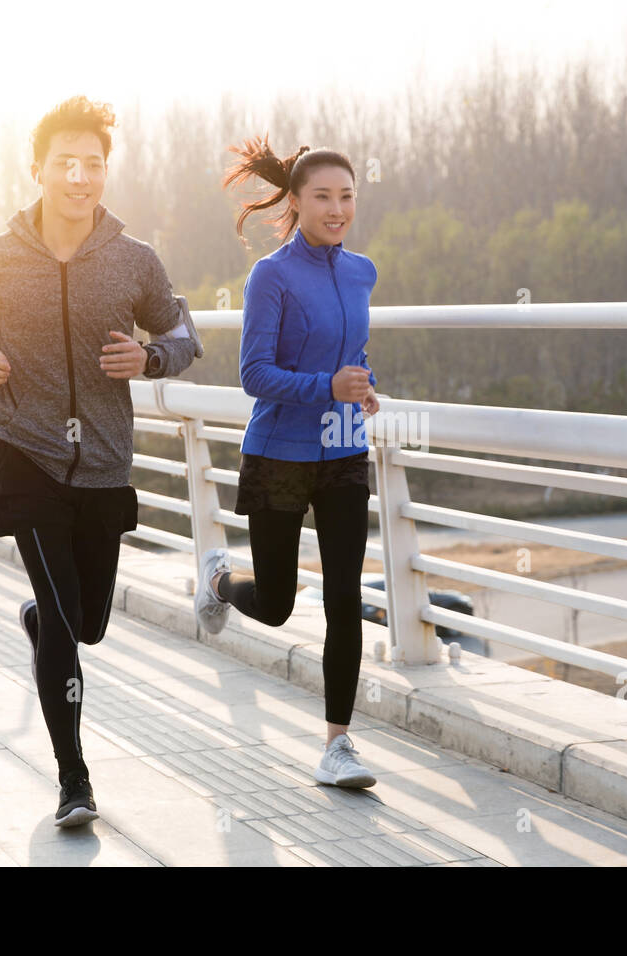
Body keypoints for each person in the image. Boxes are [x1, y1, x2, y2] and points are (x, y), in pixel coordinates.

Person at [0, 96, 202, 827]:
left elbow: (184, 331)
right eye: (66, 165)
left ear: (105, 172)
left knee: (86, 626)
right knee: (60, 616)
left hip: (106, 462)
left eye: (94, 165)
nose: (80, 178)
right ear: (38, 170)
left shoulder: (133, 259)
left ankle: (42, 618)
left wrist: (149, 357)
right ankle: (73, 779)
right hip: (29, 453)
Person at [195, 134, 380, 788]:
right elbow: (255, 373)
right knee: (275, 604)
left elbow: (351, 350)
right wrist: (325, 386)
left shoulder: (361, 272)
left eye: (347, 196)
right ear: (296, 202)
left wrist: (363, 385)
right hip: (278, 452)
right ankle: (218, 582)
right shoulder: (270, 274)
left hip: (344, 451)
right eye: (323, 197)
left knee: (343, 596)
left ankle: (338, 746)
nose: (337, 209)